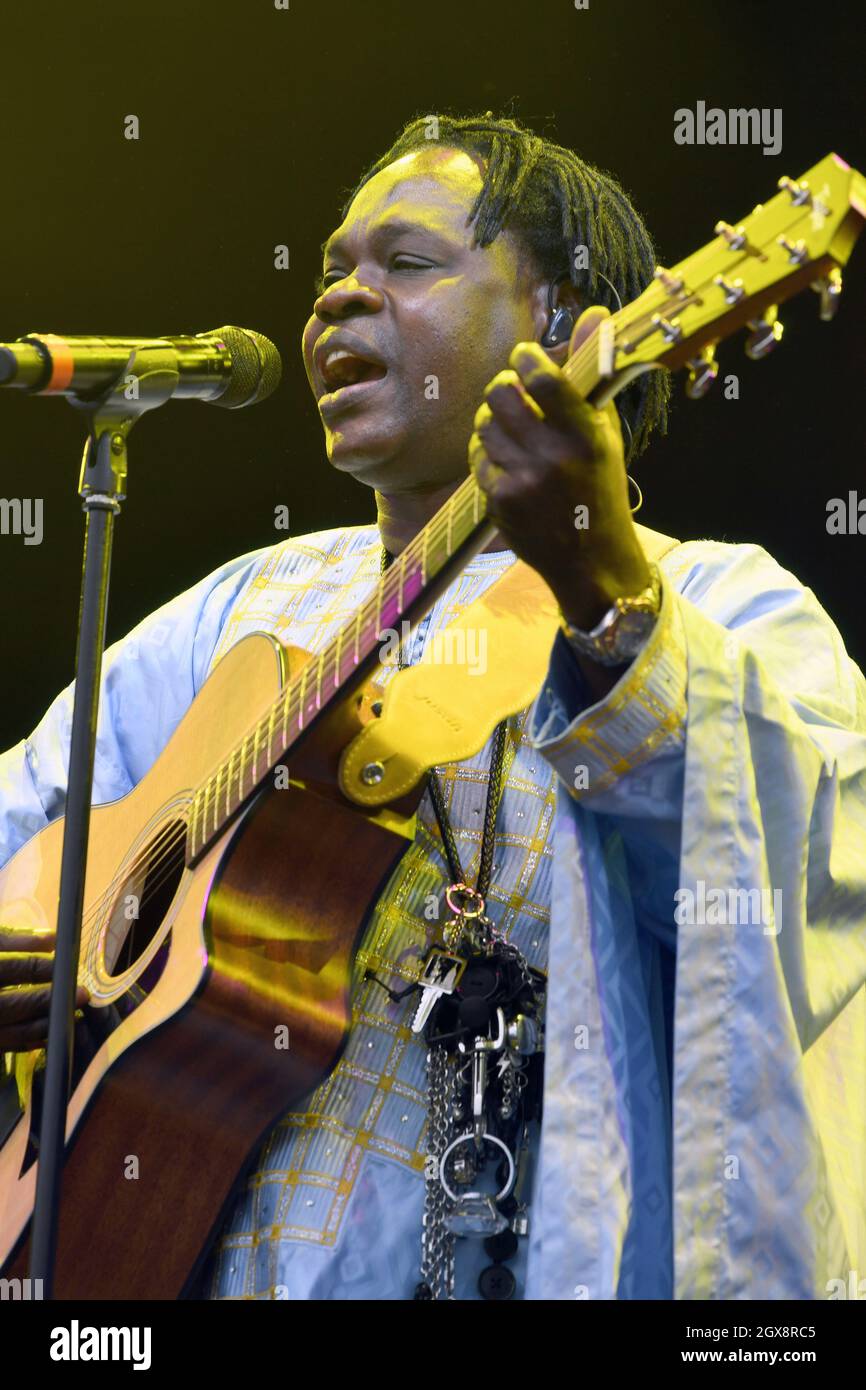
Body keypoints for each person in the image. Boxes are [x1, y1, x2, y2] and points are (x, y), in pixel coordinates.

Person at [1, 113, 864, 1301]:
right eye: (326, 273)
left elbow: (791, 884)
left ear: (562, 318)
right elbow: (24, 822)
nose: (335, 302)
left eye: (403, 264)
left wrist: (604, 591)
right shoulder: (246, 610)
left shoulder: (722, 602)